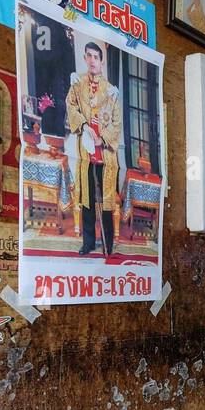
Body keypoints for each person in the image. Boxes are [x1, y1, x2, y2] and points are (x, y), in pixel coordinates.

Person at [66, 41, 122, 257]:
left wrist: (102, 139)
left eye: (96, 57)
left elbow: (117, 124)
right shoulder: (77, 84)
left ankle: (108, 244)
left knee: (106, 201)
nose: (92, 60)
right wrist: (85, 125)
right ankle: (88, 242)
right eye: (88, 56)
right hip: (85, 153)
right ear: (85, 58)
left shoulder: (111, 91)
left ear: (101, 61)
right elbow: (71, 106)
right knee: (87, 199)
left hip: (106, 155)